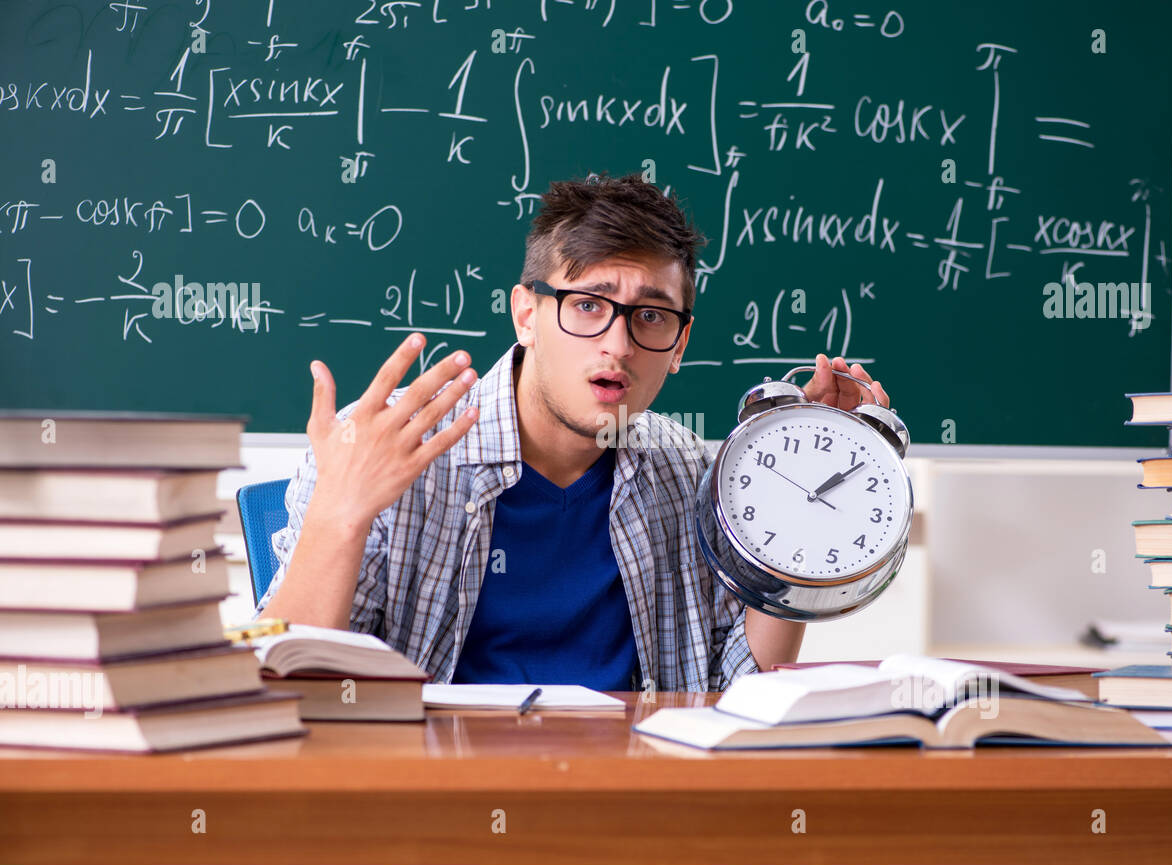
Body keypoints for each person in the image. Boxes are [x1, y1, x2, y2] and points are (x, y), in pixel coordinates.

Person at [255, 173, 889, 691]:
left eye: (650, 315)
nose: (618, 344)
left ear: (679, 344)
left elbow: (739, 693)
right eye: (589, 304)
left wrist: (791, 506)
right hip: (430, 800)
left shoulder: (690, 473)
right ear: (527, 314)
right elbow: (284, 683)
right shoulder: (383, 445)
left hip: (630, 801)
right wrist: (338, 516)